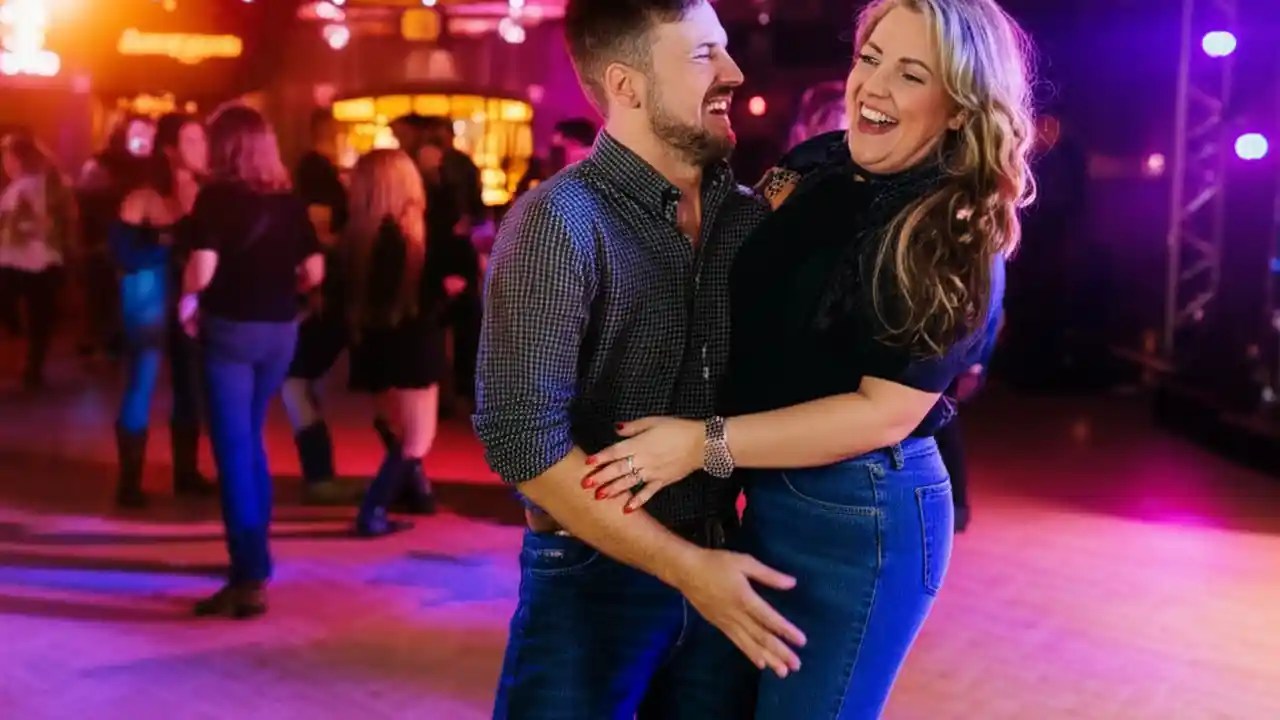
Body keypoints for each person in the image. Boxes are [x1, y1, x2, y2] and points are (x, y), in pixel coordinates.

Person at [580, 0, 1034, 716]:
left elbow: (883, 415)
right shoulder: (815, 163)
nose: (872, 86)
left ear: (958, 108)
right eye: (869, 57)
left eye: (910, 74)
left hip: (861, 519)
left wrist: (703, 445)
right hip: (762, 493)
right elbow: (717, 255)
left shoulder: (954, 230)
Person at [474, 2, 806, 717]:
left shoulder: (747, 219)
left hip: (726, 559)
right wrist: (689, 570)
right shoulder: (558, 221)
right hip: (594, 580)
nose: (733, 72)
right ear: (625, 85)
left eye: (724, 48)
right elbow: (520, 442)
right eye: (701, 56)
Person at [181, 104, 324, 619]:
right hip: (279, 332)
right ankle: (256, 558)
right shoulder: (287, 201)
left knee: (233, 450)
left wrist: (188, 301)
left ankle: (248, 577)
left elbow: (202, 268)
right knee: (252, 439)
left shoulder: (215, 198)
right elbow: (314, 269)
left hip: (231, 334)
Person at [341, 149, 451, 536]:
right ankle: (373, 509)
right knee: (418, 437)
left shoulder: (358, 236)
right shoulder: (409, 238)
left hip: (374, 345)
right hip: (412, 346)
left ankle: (414, 491)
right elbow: (430, 294)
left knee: (397, 428)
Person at [109, 112, 215, 508]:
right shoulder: (144, 195)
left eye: (202, 140)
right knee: (144, 377)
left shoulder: (210, 194)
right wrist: (168, 240)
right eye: (191, 140)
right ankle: (129, 481)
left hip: (191, 297)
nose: (200, 149)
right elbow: (122, 252)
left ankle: (186, 474)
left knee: (191, 383)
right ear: (169, 149)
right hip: (150, 295)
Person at [280, 108, 360, 505]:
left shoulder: (309, 172)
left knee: (295, 383)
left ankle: (320, 472)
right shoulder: (319, 173)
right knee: (297, 383)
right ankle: (319, 473)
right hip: (326, 293)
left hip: (321, 294)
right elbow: (320, 228)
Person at [0, 134, 77, 390]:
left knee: (26, 317)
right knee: (39, 320)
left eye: (7, 157)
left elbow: (13, 231)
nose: (5, 163)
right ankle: (32, 370)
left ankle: (24, 367)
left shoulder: (21, 188)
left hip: (18, 262)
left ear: (19, 159)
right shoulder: (51, 183)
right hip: (48, 262)